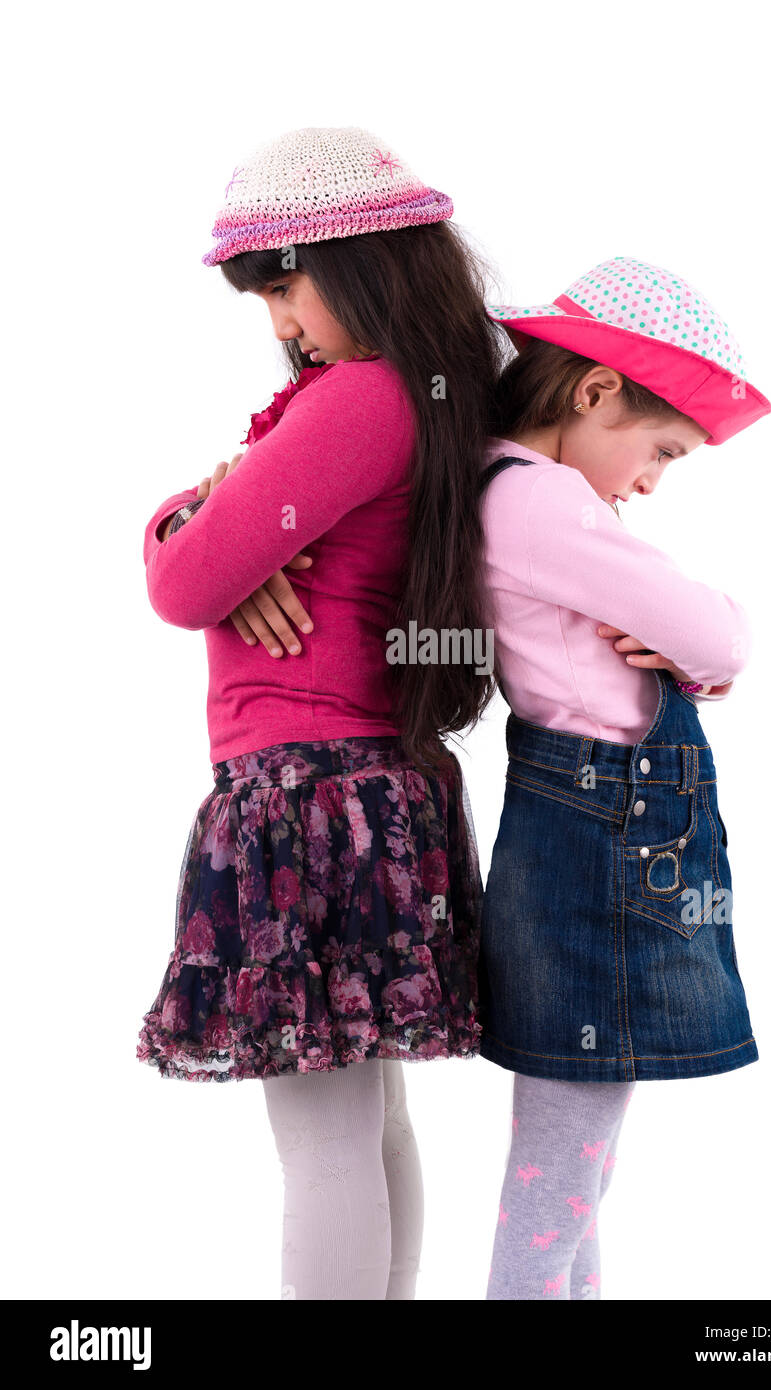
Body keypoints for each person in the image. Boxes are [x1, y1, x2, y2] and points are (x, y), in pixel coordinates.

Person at [136, 125, 504, 1300]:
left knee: (323, 1132)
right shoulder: (415, 398)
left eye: (285, 286)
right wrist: (208, 520)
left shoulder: (357, 401)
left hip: (307, 792)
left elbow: (183, 585)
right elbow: (207, 557)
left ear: (364, 265)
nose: (280, 321)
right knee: (366, 1113)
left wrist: (194, 527)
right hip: (365, 782)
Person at [475, 255, 771, 1299]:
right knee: (565, 1158)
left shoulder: (514, 491)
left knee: (577, 1159)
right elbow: (719, 635)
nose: (649, 483)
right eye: (663, 451)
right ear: (595, 391)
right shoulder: (540, 500)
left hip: (593, 816)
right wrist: (707, 644)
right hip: (604, 826)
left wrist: (687, 653)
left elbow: (688, 645)